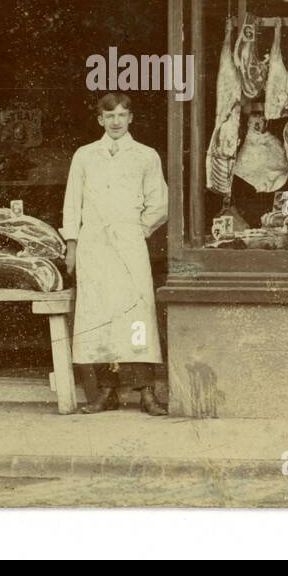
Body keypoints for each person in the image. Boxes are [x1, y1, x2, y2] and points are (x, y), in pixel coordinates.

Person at [62, 93, 170, 416]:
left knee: (135, 317)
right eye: (109, 117)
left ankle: (146, 393)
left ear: (131, 118)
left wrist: (139, 229)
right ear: (100, 120)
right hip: (93, 245)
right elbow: (72, 202)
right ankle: (105, 392)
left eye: (122, 116)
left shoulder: (145, 156)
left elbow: (159, 203)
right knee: (98, 317)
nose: (116, 122)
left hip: (128, 245)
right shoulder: (84, 156)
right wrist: (72, 244)